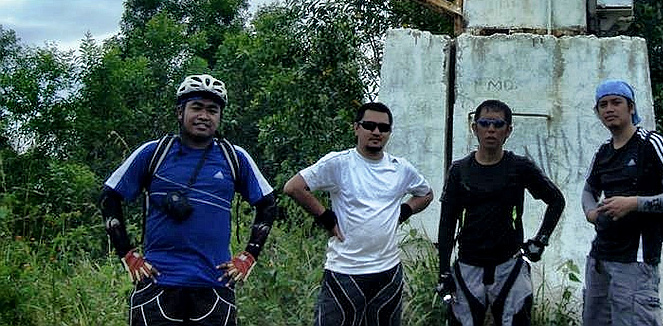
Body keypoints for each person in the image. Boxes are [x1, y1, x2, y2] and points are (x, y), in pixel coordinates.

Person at [99, 73, 277, 326]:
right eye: (197, 108)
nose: (204, 116)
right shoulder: (154, 153)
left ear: (219, 117)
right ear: (179, 112)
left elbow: (268, 205)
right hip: (157, 286)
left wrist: (249, 257)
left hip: (214, 287)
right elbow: (109, 197)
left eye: (212, 110)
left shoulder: (234, 157)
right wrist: (127, 254)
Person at [283, 101, 433, 326]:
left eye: (383, 128)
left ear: (389, 133)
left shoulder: (400, 168)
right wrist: (325, 217)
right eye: (369, 125)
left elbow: (426, 194)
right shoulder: (339, 163)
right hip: (345, 271)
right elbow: (294, 187)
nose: (376, 132)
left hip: (387, 272)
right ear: (356, 128)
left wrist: (403, 212)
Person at [436, 99, 566, 326]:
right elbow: (447, 223)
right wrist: (444, 271)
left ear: (508, 131)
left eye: (498, 124)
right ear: (474, 128)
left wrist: (540, 241)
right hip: (468, 266)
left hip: (510, 266)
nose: (491, 130)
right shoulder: (459, 170)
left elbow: (556, 200)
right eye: (485, 123)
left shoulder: (519, 167)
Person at [582, 79, 663, 326]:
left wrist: (633, 203)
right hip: (600, 257)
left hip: (636, 261)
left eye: (616, 102)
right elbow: (588, 191)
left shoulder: (651, 143)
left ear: (631, 108)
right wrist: (591, 213)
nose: (609, 109)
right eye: (603, 104)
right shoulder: (603, 152)